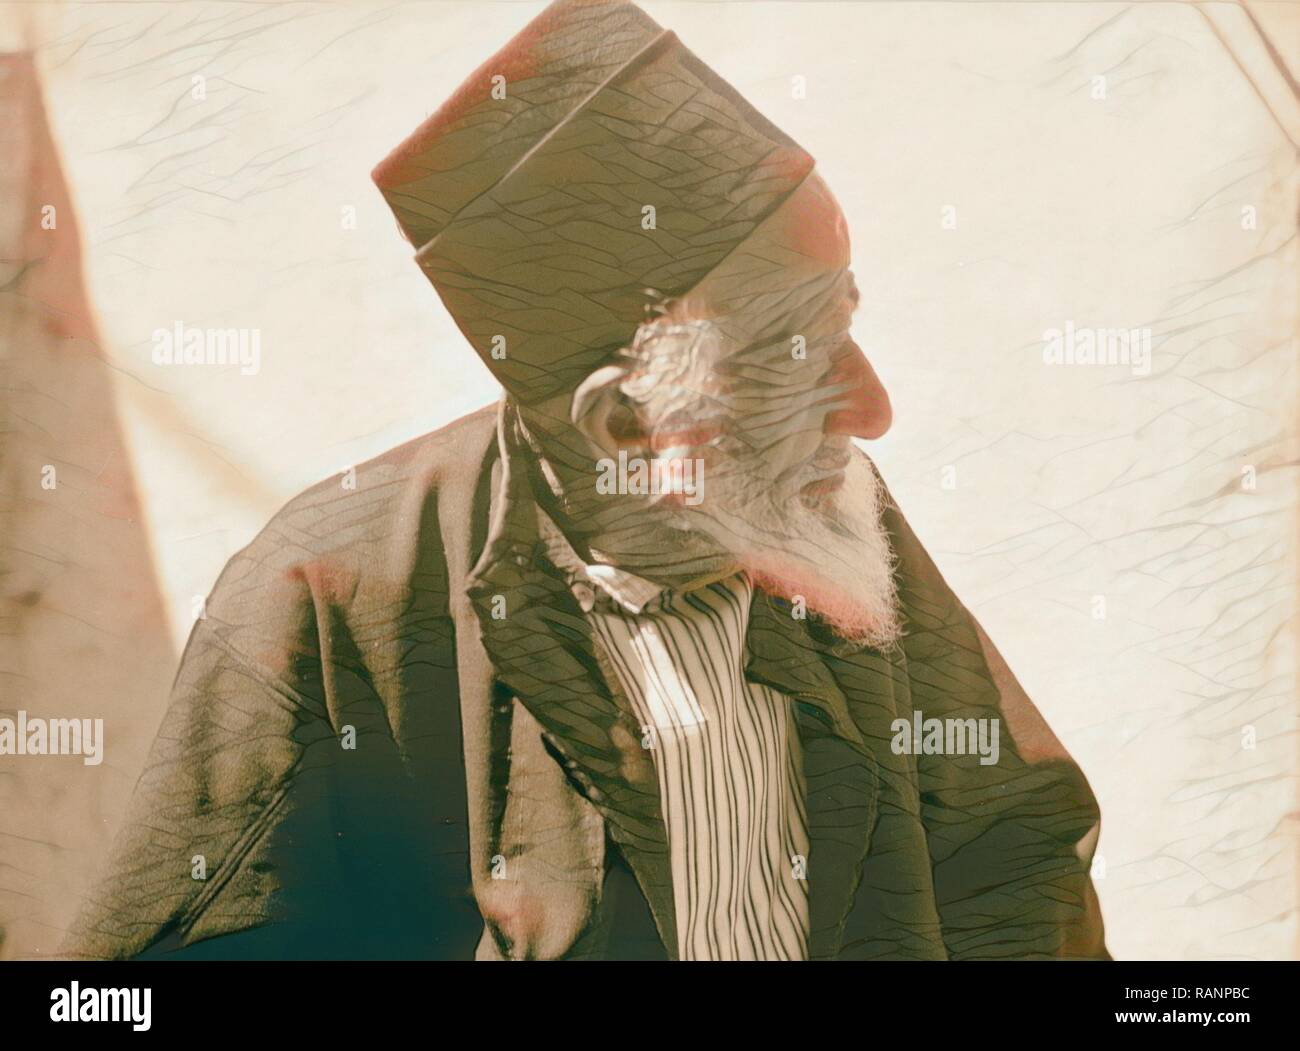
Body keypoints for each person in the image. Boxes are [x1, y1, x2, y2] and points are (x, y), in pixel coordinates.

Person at [63, 0, 1107, 961]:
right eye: (800, 353)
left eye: (848, 321)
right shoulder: (330, 597)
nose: (873, 410)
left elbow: (1009, 848)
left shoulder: (821, 508)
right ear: (625, 421)